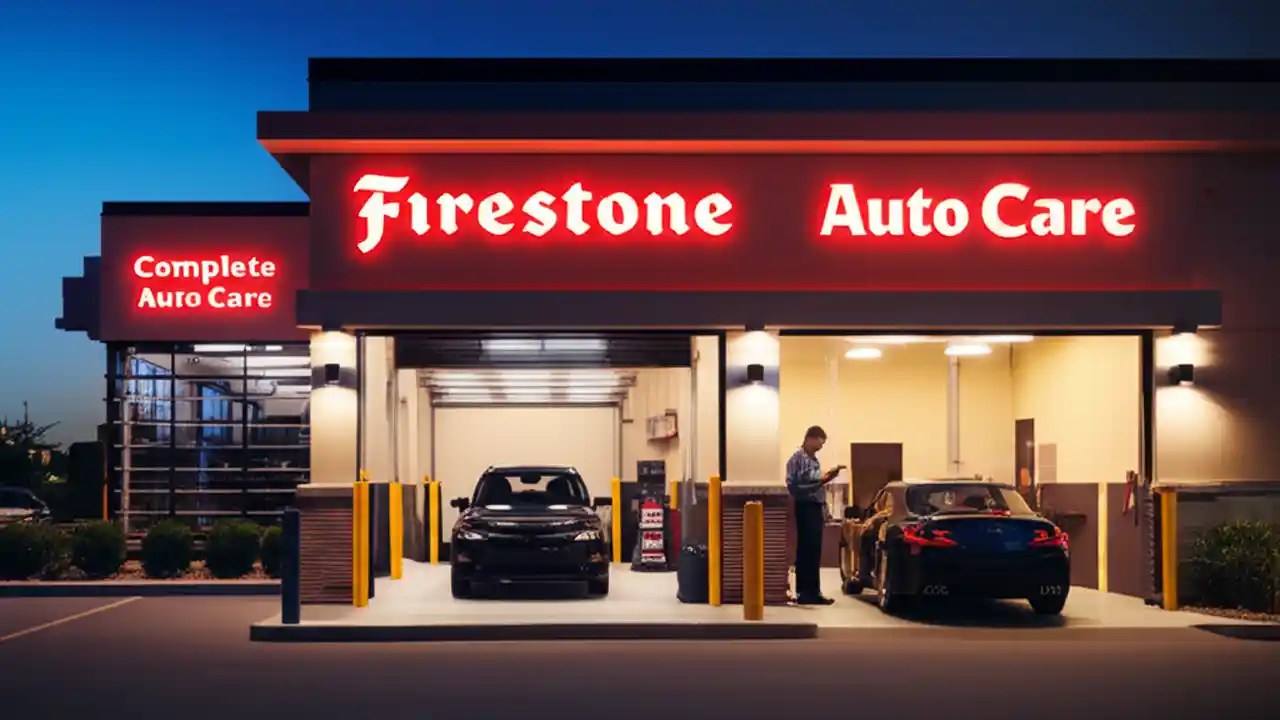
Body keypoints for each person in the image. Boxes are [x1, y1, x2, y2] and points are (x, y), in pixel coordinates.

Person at [785, 425, 844, 605]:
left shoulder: (814, 460)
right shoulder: (797, 459)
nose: (821, 446)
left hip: (815, 506)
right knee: (806, 548)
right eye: (820, 442)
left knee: (814, 550)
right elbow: (797, 485)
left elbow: (817, 483)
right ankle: (804, 592)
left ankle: (814, 591)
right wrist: (823, 480)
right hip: (805, 505)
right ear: (810, 438)